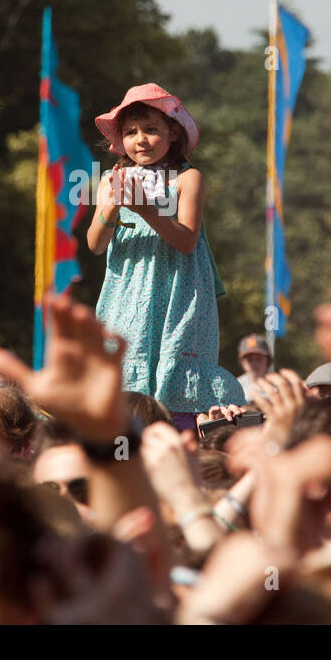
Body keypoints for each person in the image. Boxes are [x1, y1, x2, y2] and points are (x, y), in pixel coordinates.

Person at [85, 83, 238, 430]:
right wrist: (110, 207)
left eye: (151, 129)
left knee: (174, 371)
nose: (141, 139)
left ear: (173, 133)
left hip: (176, 295)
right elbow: (95, 244)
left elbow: (186, 241)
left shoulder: (188, 179)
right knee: (127, 375)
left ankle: (180, 433)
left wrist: (146, 209)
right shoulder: (112, 180)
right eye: (130, 132)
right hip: (127, 296)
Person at [236, 334, 272, 403]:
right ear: (242, 362)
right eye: (249, 359)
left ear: (268, 360)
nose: (254, 363)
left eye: (259, 358)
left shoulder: (279, 386)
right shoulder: (235, 387)